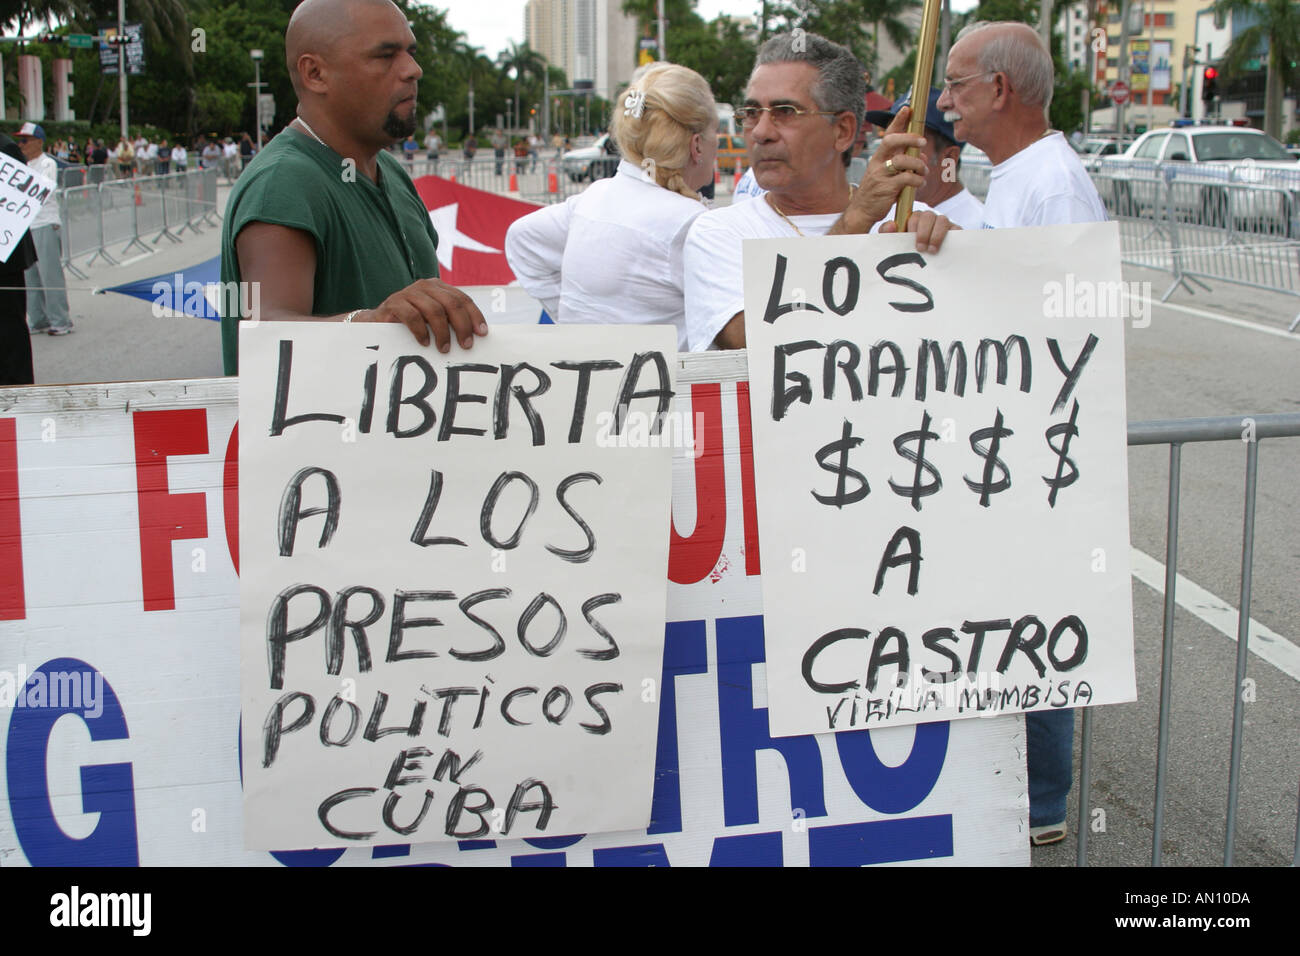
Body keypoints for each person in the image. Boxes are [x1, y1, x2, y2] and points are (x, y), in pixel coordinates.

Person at [936, 20, 1108, 847]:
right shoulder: (1013, 178)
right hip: (1003, 445)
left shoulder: (1053, 184)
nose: (945, 101)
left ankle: (1041, 803)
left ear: (1000, 90)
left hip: (1041, 453)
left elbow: (1068, 324)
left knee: (1035, 629)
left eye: (957, 84)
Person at [219, 0, 487, 377]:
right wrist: (373, 322)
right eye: (385, 56)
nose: (413, 70)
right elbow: (266, 336)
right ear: (315, 73)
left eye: (410, 52)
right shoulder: (283, 183)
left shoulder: (390, 171)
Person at [683, 32, 953, 351]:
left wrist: (953, 257)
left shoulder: (911, 222)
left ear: (842, 131)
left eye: (785, 112)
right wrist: (857, 219)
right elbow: (752, 342)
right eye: (752, 113)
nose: (761, 132)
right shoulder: (719, 233)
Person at [505, 62, 719, 350]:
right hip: (662, 389)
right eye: (715, 131)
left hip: (585, 379)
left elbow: (521, 238)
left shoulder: (594, 196)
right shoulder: (692, 224)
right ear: (697, 145)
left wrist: (576, 322)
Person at [865, 88, 985, 231]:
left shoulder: (980, 226)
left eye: (908, 145)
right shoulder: (878, 214)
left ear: (949, 158)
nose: (893, 157)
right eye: (891, 140)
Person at [14, 123, 72, 337]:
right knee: (30, 276)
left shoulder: (47, 163)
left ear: (39, 141)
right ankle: (37, 319)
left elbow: (43, 189)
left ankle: (61, 320)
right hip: (25, 226)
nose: (21, 145)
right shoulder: (21, 165)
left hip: (45, 223)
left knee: (50, 275)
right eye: (19, 141)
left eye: (25, 140)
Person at [0, 131, 40, 385]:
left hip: (6, 260)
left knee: (9, 329)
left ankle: (17, 388)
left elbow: (15, 201)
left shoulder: (6, 148)